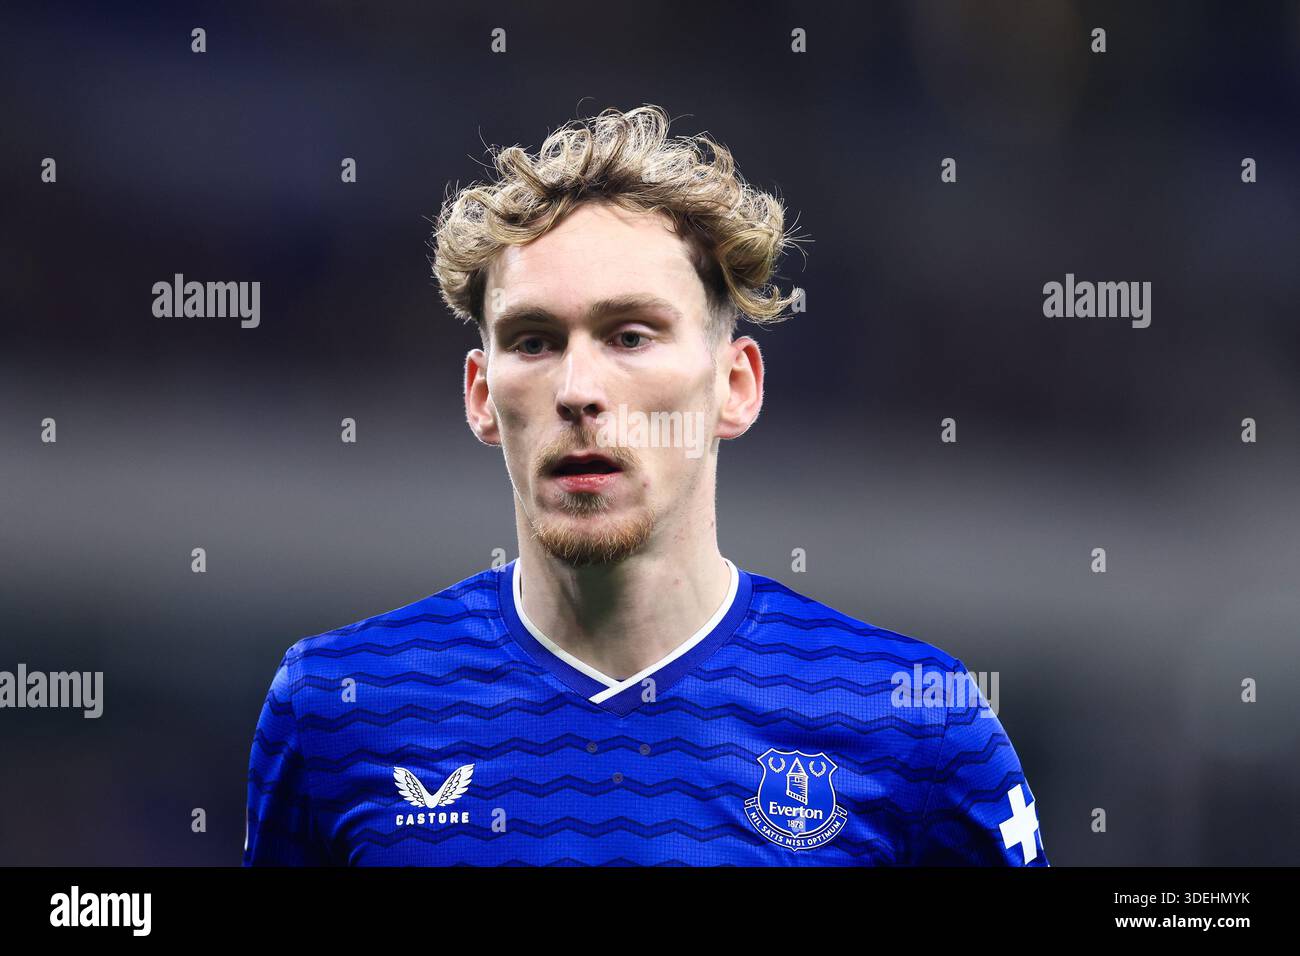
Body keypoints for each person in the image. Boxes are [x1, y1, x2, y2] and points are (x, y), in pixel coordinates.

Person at [243, 105, 1047, 866]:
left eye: (631, 335)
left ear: (734, 386)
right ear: (482, 396)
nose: (578, 390)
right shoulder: (339, 709)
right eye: (534, 340)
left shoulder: (912, 721)